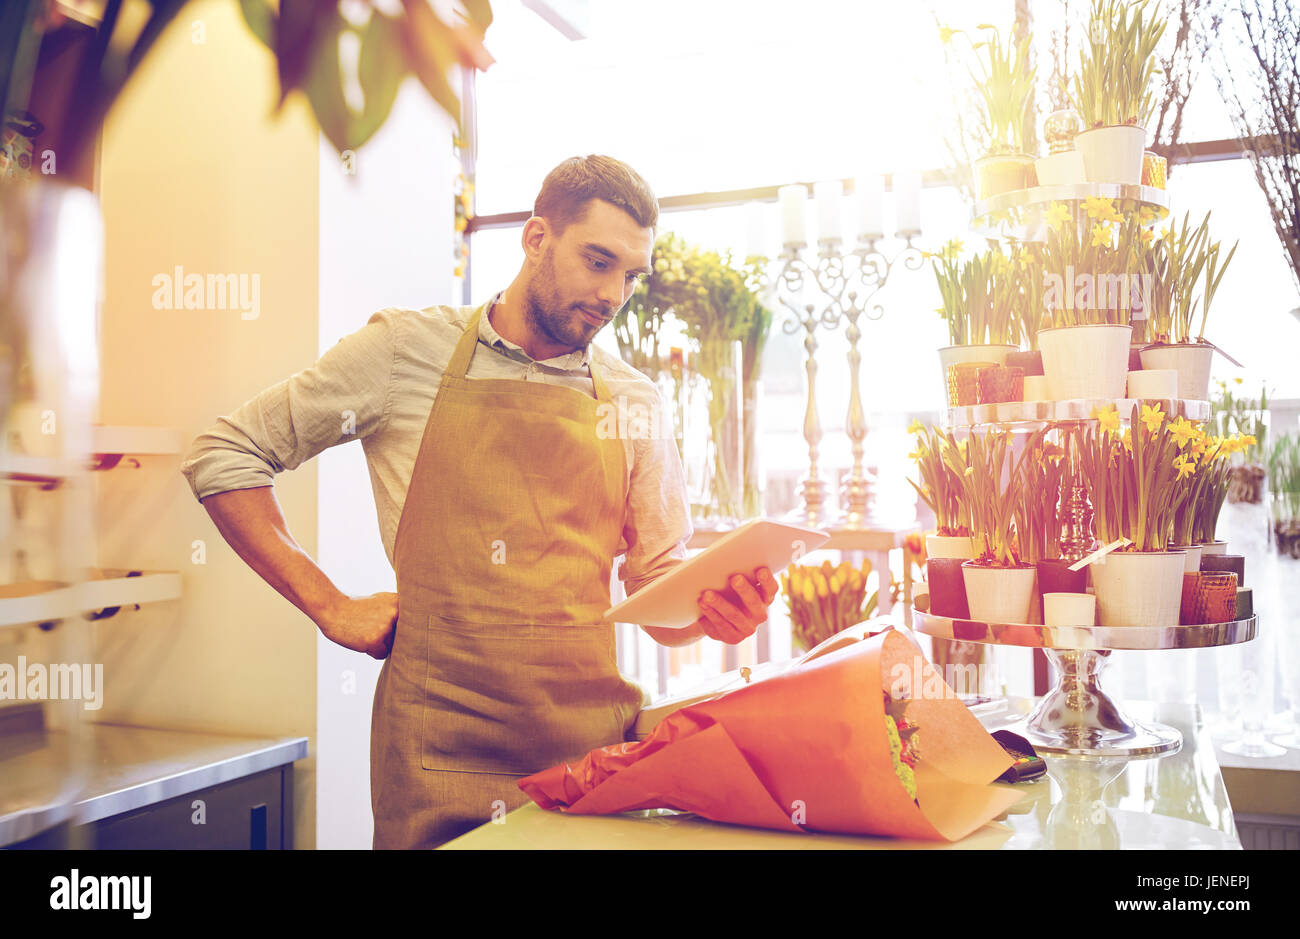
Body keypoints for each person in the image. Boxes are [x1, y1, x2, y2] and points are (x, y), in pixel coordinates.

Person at [181, 154, 779, 849]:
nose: (614, 293)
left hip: (587, 769)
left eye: (630, 275)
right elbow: (223, 455)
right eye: (597, 261)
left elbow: (655, 588)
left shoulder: (634, 401)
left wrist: (714, 615)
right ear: (535, 239)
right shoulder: (406, 352)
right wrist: (331, 605)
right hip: (436, 765)